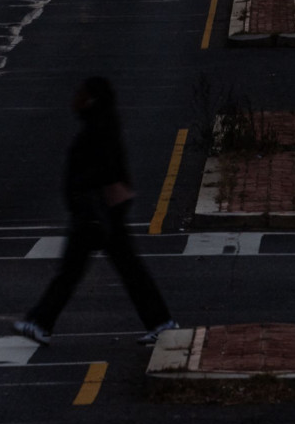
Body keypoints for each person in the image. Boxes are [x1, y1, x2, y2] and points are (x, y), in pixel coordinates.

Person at [13, 77, 176, 347]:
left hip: (97, 214)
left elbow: (106, 169)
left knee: (78, 272)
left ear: (91, 98)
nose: (75, 98)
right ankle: (160, 322)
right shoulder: (101, 123)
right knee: (116, 271)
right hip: (102, 213)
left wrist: (85, 189)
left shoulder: (97, 128)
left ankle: (41, 322)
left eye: (81, 93)